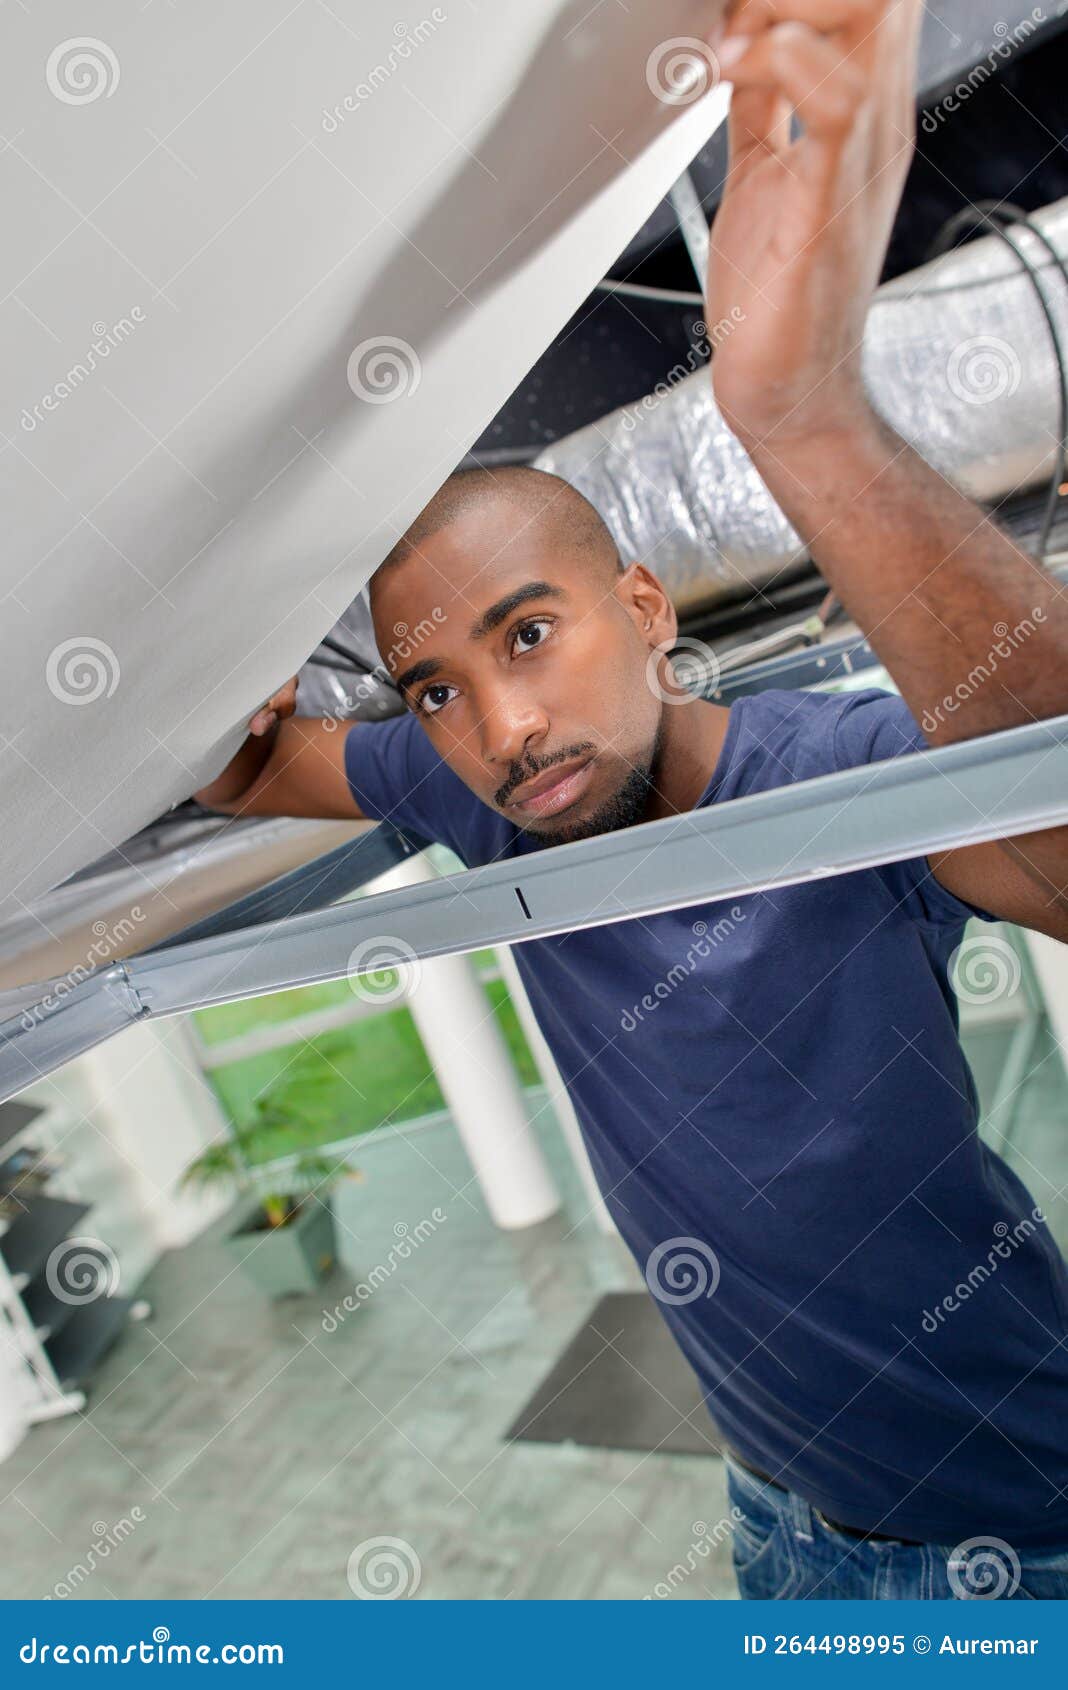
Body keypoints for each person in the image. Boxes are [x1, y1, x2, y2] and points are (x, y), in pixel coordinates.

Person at [196, 0, 1068, 1599]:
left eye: (530, 633)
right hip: (776, 1515)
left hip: (1012, 1529)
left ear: (648, 609)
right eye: (437, 686)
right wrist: (195, 690)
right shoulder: (483, 789)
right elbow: (253, 767)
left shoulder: (840, 775)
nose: (503, 723)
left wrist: (799, 411)